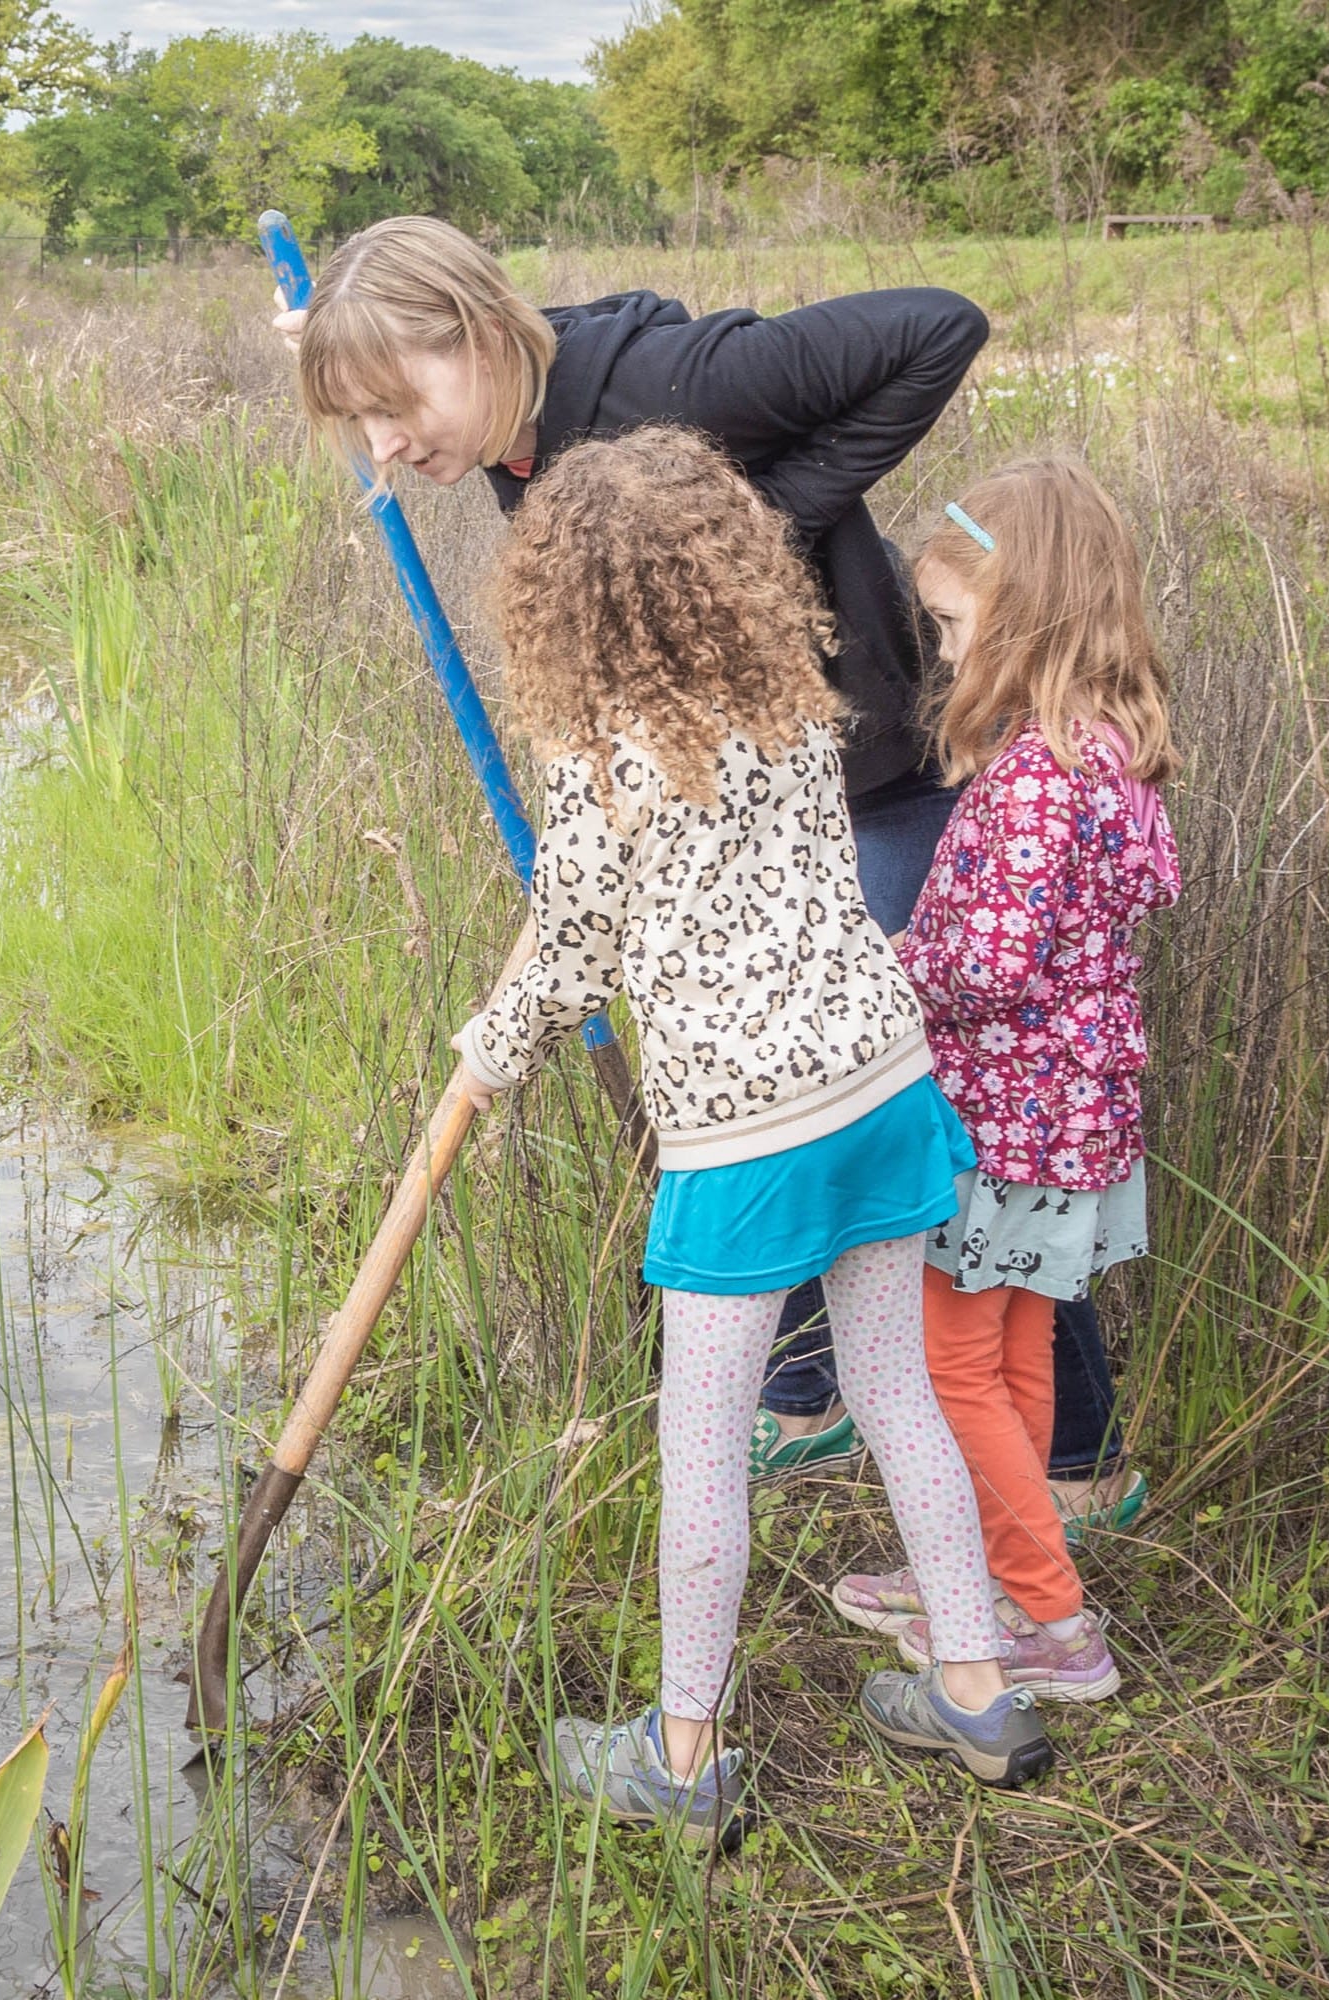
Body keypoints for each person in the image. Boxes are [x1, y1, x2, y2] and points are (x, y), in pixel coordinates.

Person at [279, 215, 1125, 1496]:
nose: (387, 449)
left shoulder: (672, 382)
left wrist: (760, 524)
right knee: (737, 1074)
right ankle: (802, 1392)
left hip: (863, 790)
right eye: (361, 423)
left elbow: (935, 324)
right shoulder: (515, 421)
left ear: (473, 332)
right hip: (721, 816)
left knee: (931, 1106)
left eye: (395, 405)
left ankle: (1072, 1454)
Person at [450, 426, 1053, 1846]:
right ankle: (974, 1688)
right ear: (737, 571)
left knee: (704, 1449)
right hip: (886, 1084)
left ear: (570, 605)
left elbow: (575, 943)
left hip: (747, 1141)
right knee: (896, 1389)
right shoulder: (793, 706)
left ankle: (683, 1751)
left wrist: (489, 1053)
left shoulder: (601, 758)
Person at [830, 460, 1179, 1701]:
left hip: (1004, 1120)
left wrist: (879, 961)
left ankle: (1046, 1619)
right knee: (1015, 1353)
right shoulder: (1100, 753)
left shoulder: (1033, 777)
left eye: (949, 623)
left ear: (1023, 617)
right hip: (1070, 1128)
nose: (937, 646)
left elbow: (985, 963)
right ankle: (974, 1566)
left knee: (945, 1373)